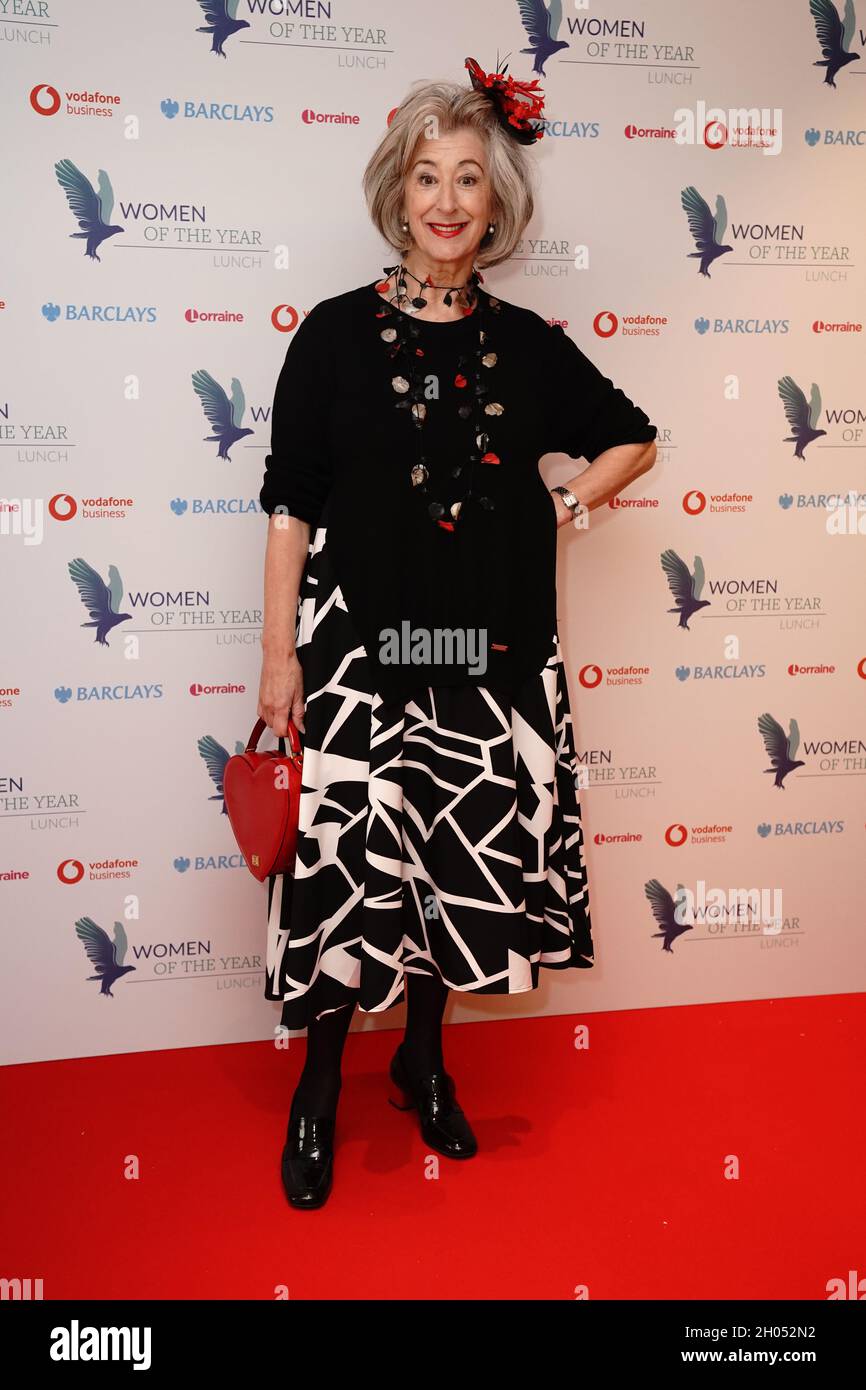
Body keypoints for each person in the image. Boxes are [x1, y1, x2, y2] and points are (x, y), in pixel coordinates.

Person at [257, 57, 657, 1209]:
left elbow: (631, 435)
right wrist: (278, 654)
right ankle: (318, 1087)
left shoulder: (526, 345)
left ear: (496, 202)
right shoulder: (332, 335)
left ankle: (423, 1062)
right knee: (345, 877)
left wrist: (559, 504)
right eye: (426, 175)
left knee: (450, 864)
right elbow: (290, 503)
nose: (445, 199)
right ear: (398, 191)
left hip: (485, 658)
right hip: (357, 653)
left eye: (468, 178)